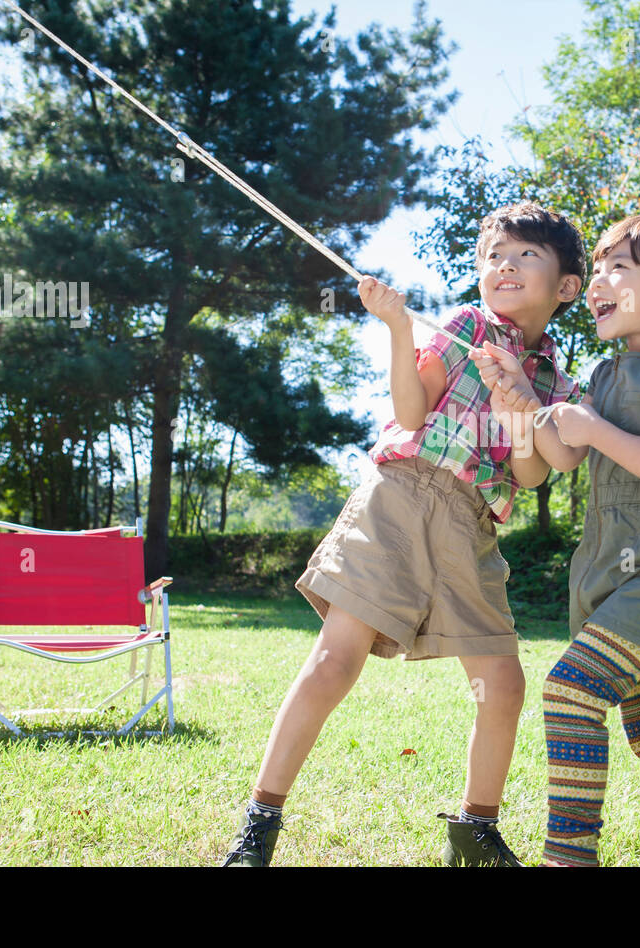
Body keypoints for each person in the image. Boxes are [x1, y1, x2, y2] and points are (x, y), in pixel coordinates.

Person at [222, 201, 586, 867]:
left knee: (502, 683)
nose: (503, 264)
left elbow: (531, 475)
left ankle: (474, 833)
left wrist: (519, 411)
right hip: (398, 498)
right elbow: (411, 409)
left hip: (470, 524)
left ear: (566, 287)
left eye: (525, 255)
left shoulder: (556, 381)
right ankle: (259, 823)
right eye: (494, 255)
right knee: (337, 660)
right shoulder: (465, 325)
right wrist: (396, 327)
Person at [474, 212, 640, 866]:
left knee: (570, 691)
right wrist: (521, 400)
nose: (598, 282)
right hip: (605, 574)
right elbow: (560, 454)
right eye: (601, 267)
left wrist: (591, 428)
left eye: (621, 267)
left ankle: (569, 856)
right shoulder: (605, 375)